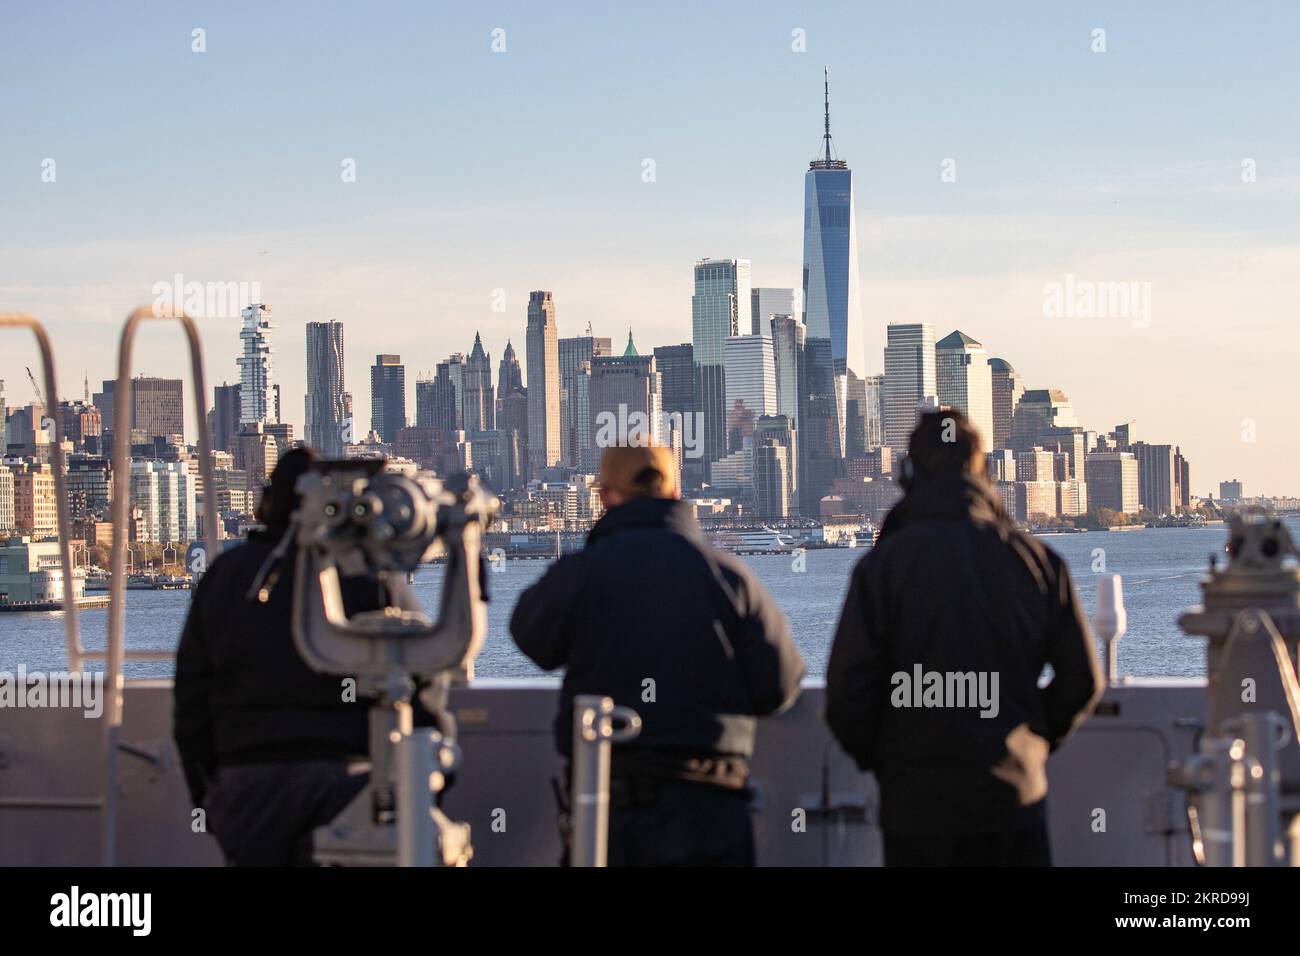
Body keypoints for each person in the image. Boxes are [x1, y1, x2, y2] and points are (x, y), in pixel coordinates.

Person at [825, 410, 1104, 867]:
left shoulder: (881, 569)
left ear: (908, 475)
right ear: (986, 473)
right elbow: (1083, 679)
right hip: (1012, 803)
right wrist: (1029, 742)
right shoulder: (1037, 563)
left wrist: (892, 761)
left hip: (917, 811)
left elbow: (847, 694)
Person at [511, 444, 805, 866]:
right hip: (710, 803)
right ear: (676, 492)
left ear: (605, 496)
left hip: (608, 803)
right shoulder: (728, 577)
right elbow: (779, 686)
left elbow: (532, 639)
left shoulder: (580, 573)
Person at [174, 448, 384, 866]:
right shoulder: (363, 575)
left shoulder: (227, 575)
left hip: (245, 789)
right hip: (345, 782)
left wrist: (207, 793)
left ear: (268, 503)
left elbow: (190, 701)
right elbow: (414, 683)